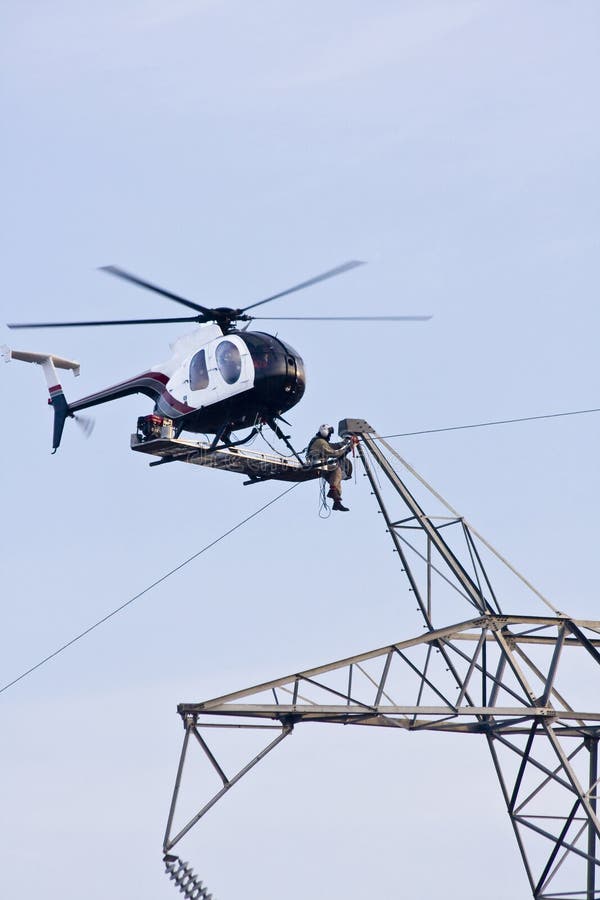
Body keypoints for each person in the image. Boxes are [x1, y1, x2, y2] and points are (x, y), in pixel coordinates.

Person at [306, 424, 356, 512]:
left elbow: (335, 446)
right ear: (325, 432)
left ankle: (337, 502)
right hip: (316, 464)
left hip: (322, 466)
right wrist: (346, 449)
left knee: (337, 478)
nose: (330, 435)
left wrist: (346, 442)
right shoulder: (320, 442)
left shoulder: (323, 442)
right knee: (336, 469)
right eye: (329, 433)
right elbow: (333, 453)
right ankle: (332, 491)